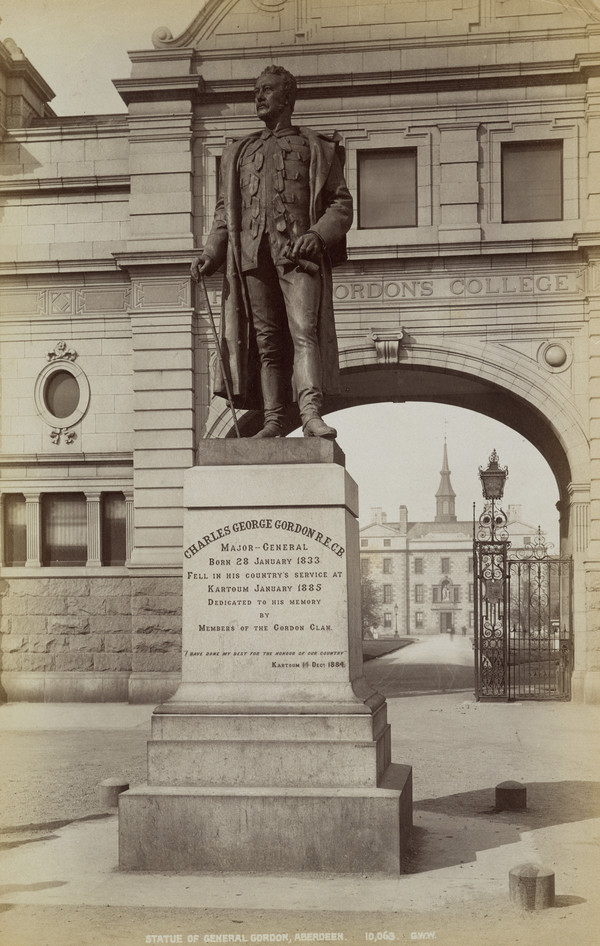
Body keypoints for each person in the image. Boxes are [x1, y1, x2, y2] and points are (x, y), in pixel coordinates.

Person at [191, 65, 353, 438]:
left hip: (298, 255)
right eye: (256, 91)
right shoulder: (239, 152)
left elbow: (340, 205)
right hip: (251, 256)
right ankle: (273, 419)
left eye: (267, 90)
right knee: (266, 343)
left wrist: (317, 234)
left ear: (288, 97)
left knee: (303, 332)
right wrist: (211, 254)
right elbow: (223, 214)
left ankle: (310, 414)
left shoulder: (317, 147)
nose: (258, 97)